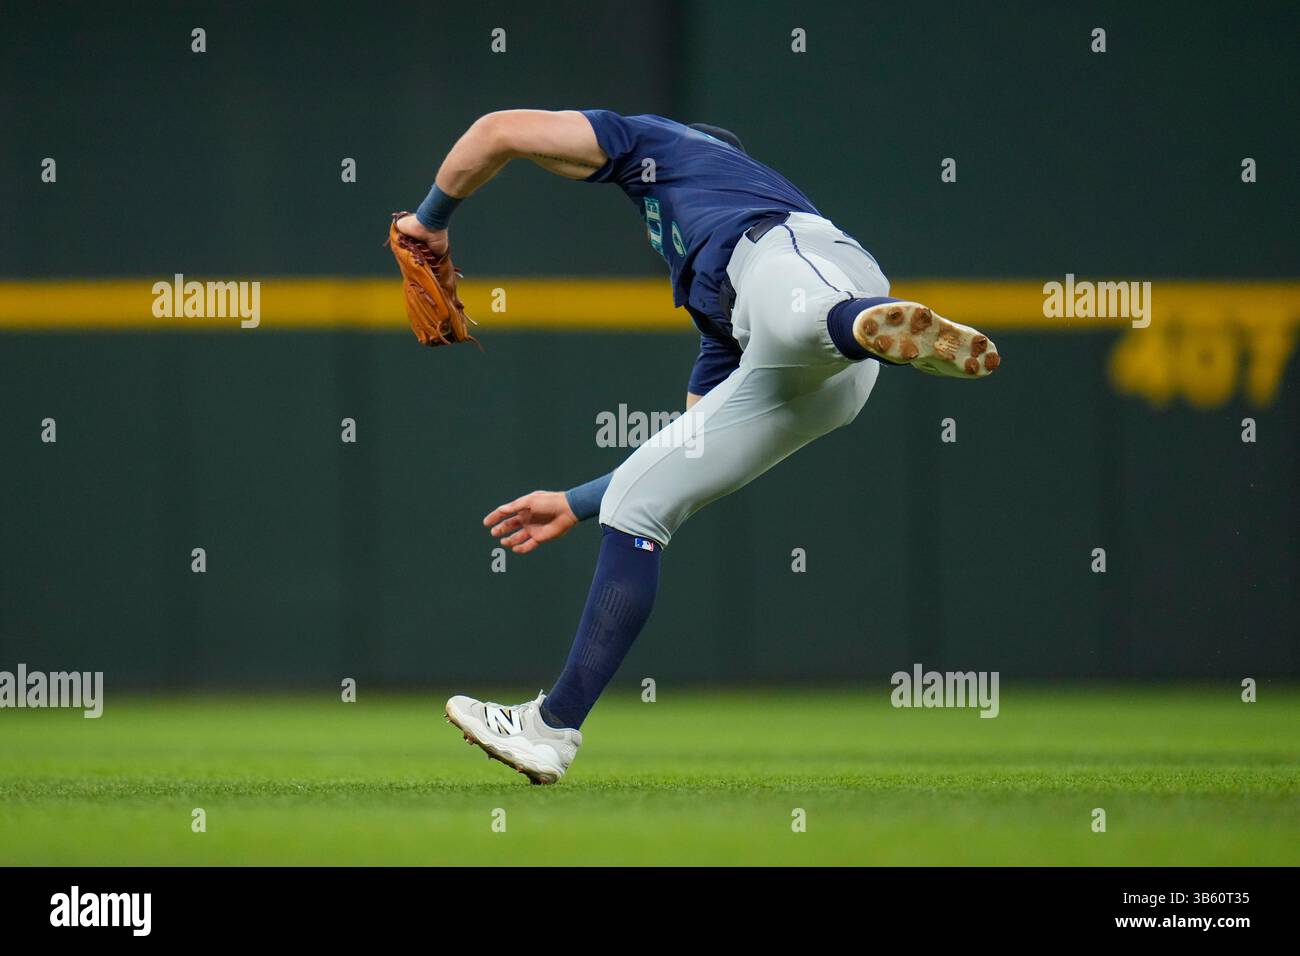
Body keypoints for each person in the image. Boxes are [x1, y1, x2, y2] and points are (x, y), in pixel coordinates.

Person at [394, 109, 1000, 783]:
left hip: (801, 263)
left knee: (798, 310)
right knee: (643, 500)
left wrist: (429, 221)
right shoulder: (704, 298)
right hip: (816, 376)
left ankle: (863, 325)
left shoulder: (664, 144)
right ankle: (551, 730)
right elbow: (686, 443)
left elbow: (497, 131)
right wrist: (578, 501)